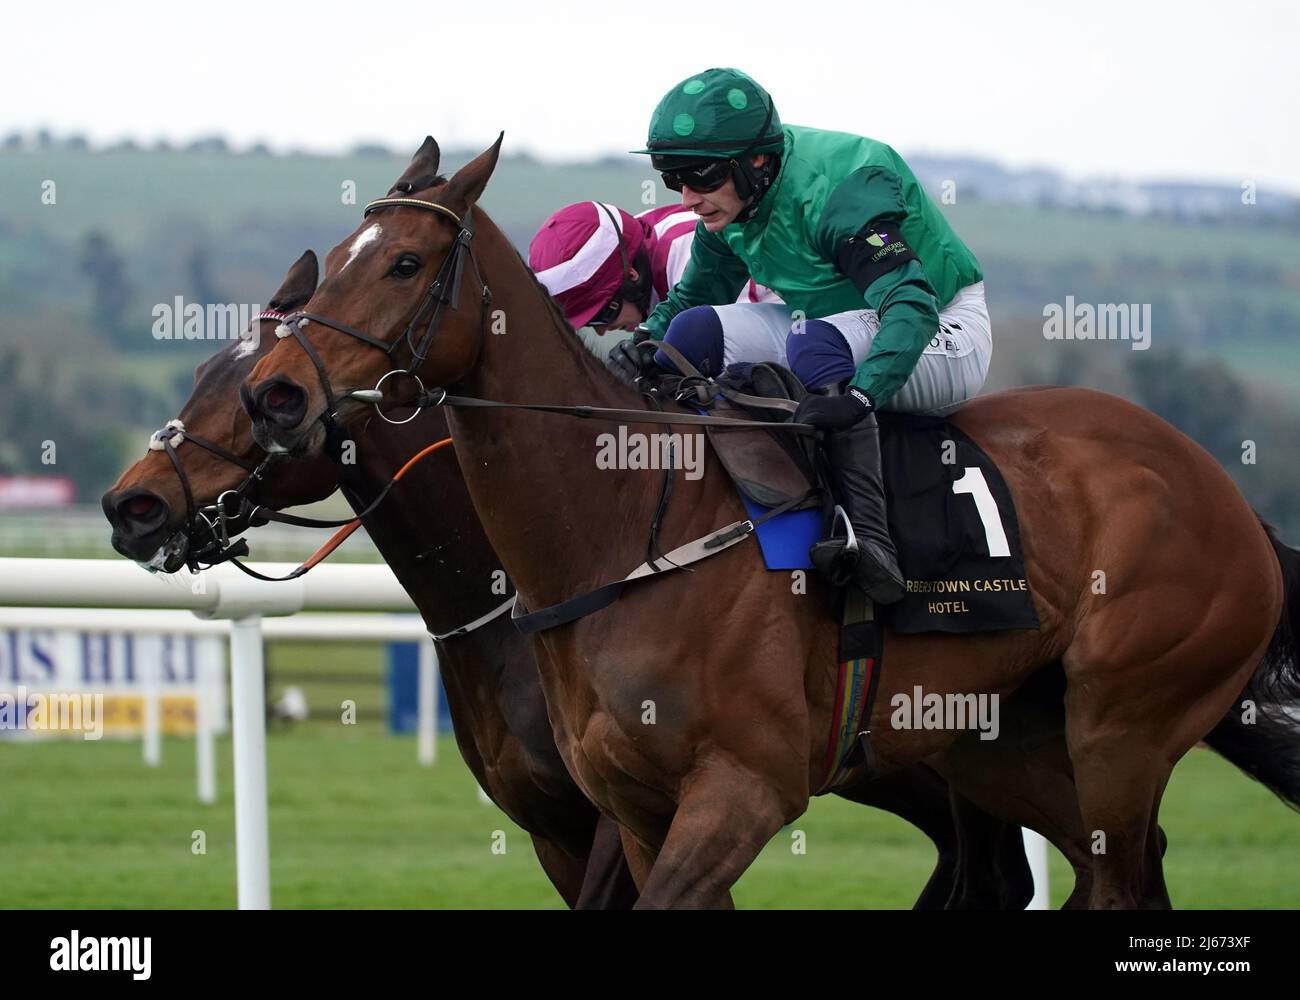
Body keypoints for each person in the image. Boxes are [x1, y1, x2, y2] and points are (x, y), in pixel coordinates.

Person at [610, 67, 992, 604]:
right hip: (835, 325)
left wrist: (862, 396)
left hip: (941, 325)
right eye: (675, 180)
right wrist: (644, 342)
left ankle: (870, 542)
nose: (687, 198)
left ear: (757, 161)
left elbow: (909, 306)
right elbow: (694, 297)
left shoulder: (842, 193)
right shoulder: (731, 205)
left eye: (701, 177)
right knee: (688, 334)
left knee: (814, 344)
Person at [529, 200, 781, 364]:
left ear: (632, 277)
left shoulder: (683, 253)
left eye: (604, 313)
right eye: (588, 323)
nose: (601, 331)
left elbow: (758, 358)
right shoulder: (627, 247)